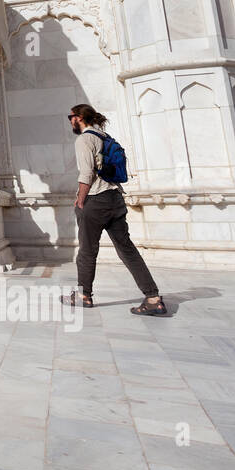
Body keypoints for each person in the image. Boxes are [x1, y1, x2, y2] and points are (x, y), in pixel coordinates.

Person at [60, 104, 167, 316]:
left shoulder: (84, 139)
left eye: (71, 117)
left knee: (87, 251)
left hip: (95, 200)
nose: (70, 121)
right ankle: (153, 297)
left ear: (79, 118)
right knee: (127, 249)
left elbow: (86, 173)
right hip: (115, 198)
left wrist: (80, 200)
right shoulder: (104, 136)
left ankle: (84, 296)